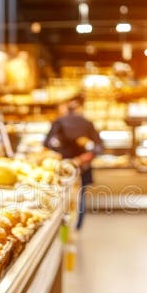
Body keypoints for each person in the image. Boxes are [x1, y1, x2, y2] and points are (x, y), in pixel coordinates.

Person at [44, 95, 103, 231]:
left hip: (64, 166)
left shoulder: (59, 122)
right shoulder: (87, 123)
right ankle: (77, 226)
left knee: (63, 196)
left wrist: (57, 150)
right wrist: (86, 156)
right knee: (81, 195)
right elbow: (99, 146)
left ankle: (65, 228)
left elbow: (47, 143)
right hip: (83, 165)